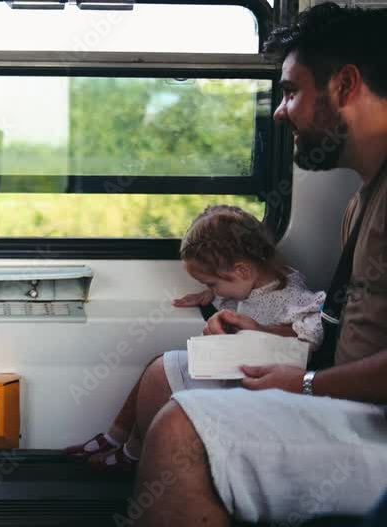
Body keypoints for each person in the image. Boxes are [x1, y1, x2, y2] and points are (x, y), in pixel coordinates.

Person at [132, 5, 387, 525]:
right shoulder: (362, 201)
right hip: (346, 396)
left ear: (344, 85)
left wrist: (307, 384)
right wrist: (268, 339)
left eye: (291, 92)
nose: (279, 112)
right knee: (171, 375)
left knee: (181, 431)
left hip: (373, 421)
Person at [64, 205, 324, 472]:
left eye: (212, 284)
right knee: (157, 364)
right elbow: (239, 294)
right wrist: (210, 295)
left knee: (161, 371)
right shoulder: (252, 282)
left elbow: (310, 336)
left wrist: (259, 329)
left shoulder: (290, 294)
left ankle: (132, 455)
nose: (213, 291)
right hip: (237, 366)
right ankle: (114, 437)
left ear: (242, 271)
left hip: (256, 384)